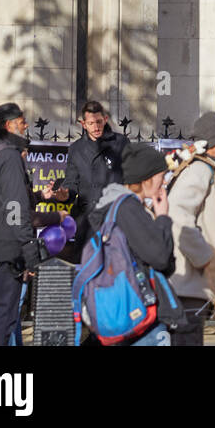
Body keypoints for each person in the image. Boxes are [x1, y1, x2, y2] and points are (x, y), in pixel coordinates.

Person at [87, 143, 178, 346]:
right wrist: (163, 218)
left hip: (121, 307)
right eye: (160, 176)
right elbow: (161, 259)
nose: (163, 182)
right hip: (140, 314)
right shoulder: (128, 208)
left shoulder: (111, 206)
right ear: (146, 179)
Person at [0, 103, 42, 347]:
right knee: (2, 317)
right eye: (21, 120)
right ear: (7, 125)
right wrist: (30, 251)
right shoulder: (10, 155)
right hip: (6, 251)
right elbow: (15, 209)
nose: (26, 125)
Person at [166, 110, 215, 346]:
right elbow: (176, 212)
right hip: (188, 286)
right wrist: (203, 256)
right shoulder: (200, 169)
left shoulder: (205, 168)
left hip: (191, 287)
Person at [42, 100, 126, 248]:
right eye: (91, 123)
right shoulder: (76, 149)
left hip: (114, 216)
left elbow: (130, 176)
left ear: (105, 119)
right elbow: (71, 182)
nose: (96, 127)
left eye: (99, 122)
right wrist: (65, 195)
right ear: (83, 124)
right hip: (86, 220)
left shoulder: (121, 143)